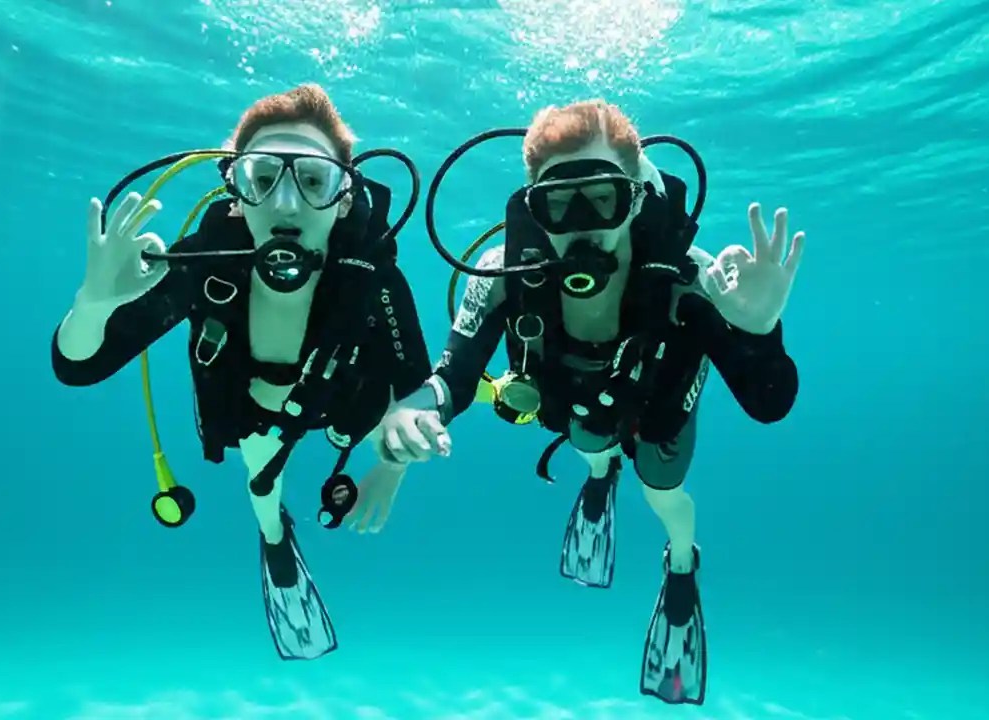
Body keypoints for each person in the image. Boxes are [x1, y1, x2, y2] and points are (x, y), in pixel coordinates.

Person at [374, 99, 804, 704]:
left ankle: (681, 562)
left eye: (603, 198)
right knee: (590, 446)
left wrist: (760, 330)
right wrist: (416, 406)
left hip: (661, 407)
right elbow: (455, 375)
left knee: (663, 493)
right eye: (558, 203)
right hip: (577, 409)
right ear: (534, 207)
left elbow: (768, 402)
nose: (582, 225)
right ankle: (601, 477)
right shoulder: (503, 274)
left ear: (635, 197)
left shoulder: (688, 275)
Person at [50, 83, 431, 661]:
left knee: (384, 421)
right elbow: (77, 366)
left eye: (313, 180)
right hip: (253, 410)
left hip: (344, 398)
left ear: (343, 198)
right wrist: (94, 304)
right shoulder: (206, 262)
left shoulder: (369, 274)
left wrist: (392, 465)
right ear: (237, 194)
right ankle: (275, 539)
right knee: (260, 479)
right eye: (262, 178)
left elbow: (415, 391)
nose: (286, 204)